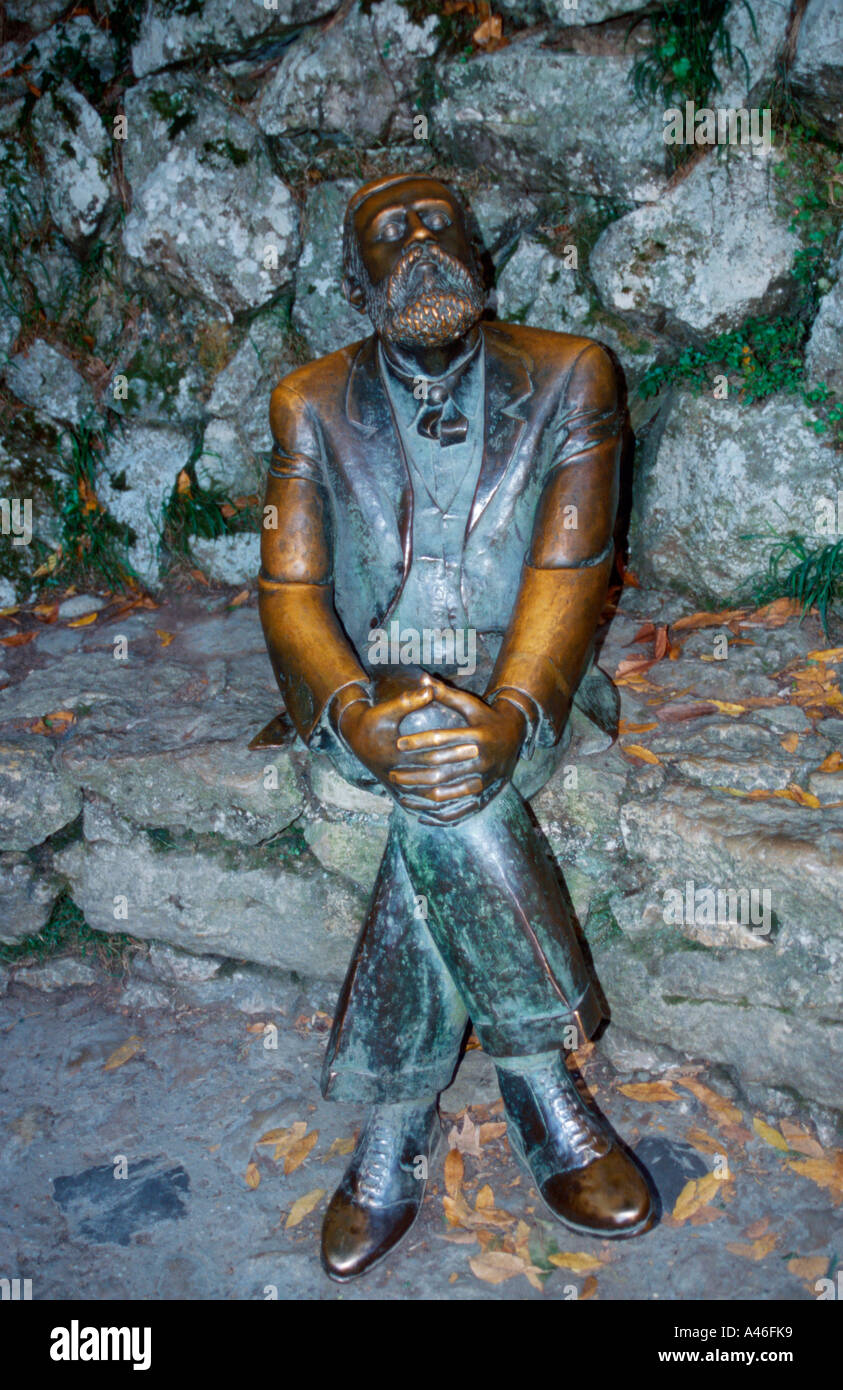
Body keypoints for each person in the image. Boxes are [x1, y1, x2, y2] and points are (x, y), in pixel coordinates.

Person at [258, 173, 655, 1281]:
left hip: (518, 680)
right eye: (391, 235)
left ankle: (394, 1118)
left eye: (440, 223)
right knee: (445, 786)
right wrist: (350, 710)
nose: (421, 245)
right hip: (364, 693)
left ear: (481, 249)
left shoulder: (574, 376)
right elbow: (290, 594)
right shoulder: (309, 401)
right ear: (356, 282)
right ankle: (545, 1089)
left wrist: (515, 712)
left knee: (455, 791)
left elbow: (572, 573)